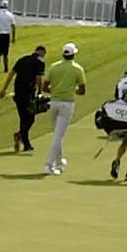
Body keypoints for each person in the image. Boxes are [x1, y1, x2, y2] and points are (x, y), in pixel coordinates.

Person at [41, 43, 86, 176]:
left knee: (57, 134)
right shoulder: (77, 69)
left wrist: (56, 90)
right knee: (58, 136)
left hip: (53, 103)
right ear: (74, 55)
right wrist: (72, 90)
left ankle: (59, 161)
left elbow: (45, 87)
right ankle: (49, 165)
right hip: (67, 104)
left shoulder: (54, 66)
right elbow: (82, 91)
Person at [0, 45, 46, 153]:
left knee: (23, 118)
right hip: (28, 92)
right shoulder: (40, 62)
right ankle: (19, 135)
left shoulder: (22, 59)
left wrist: (4, 89)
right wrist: (40, 92)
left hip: (18, 92)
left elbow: (11, 74)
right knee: (30, 118)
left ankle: (26, 144)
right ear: (42, 53)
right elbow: (38, 78)